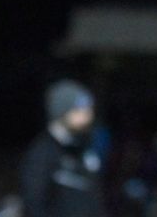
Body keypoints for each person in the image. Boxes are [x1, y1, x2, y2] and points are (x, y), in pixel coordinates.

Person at [20, 79, 103, 217]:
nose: (88, 115)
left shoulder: (83, 149)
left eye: (88, 109)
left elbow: (93, 200)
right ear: (62, 112)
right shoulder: (42, 153)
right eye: (80, 110)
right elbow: (33, 203)